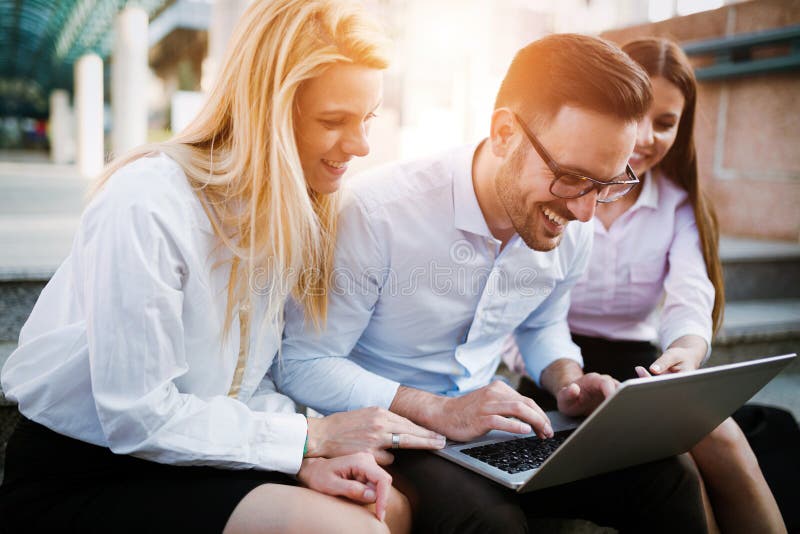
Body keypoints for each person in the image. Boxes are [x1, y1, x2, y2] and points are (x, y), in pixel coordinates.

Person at [0, 1, 446, 532]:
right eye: (334, 121)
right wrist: (310, 439)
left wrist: (304, 453)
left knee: (388, 506)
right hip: (90, 470)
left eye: (367, 119)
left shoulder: (291, 212)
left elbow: (241, 386)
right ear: (268, 111)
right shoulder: (148, 201)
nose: (361, 145)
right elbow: (136, 415)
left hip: (197, 456)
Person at [275, 34, 709, 533]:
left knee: (667, 476)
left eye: (609, 183)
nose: (587, 211)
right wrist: (440, 410)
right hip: (396, 437)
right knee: (490, 522)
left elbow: (543, 324)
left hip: (494, 431)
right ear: (505, 133)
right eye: (571, 176)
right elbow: (303, 363)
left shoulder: (573, 219)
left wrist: (567, 382)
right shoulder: (376, 213)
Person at [507, 37, 786, 534]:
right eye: (639, 118)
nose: (648, 138)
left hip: (642, 364)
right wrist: (557, 372)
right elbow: (516, 310)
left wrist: (687, 350)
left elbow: (690, 297)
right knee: (678, 470)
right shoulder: (553, 192)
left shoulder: (679, 206)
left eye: (666, 122)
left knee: (721, 440)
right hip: (557, 368)